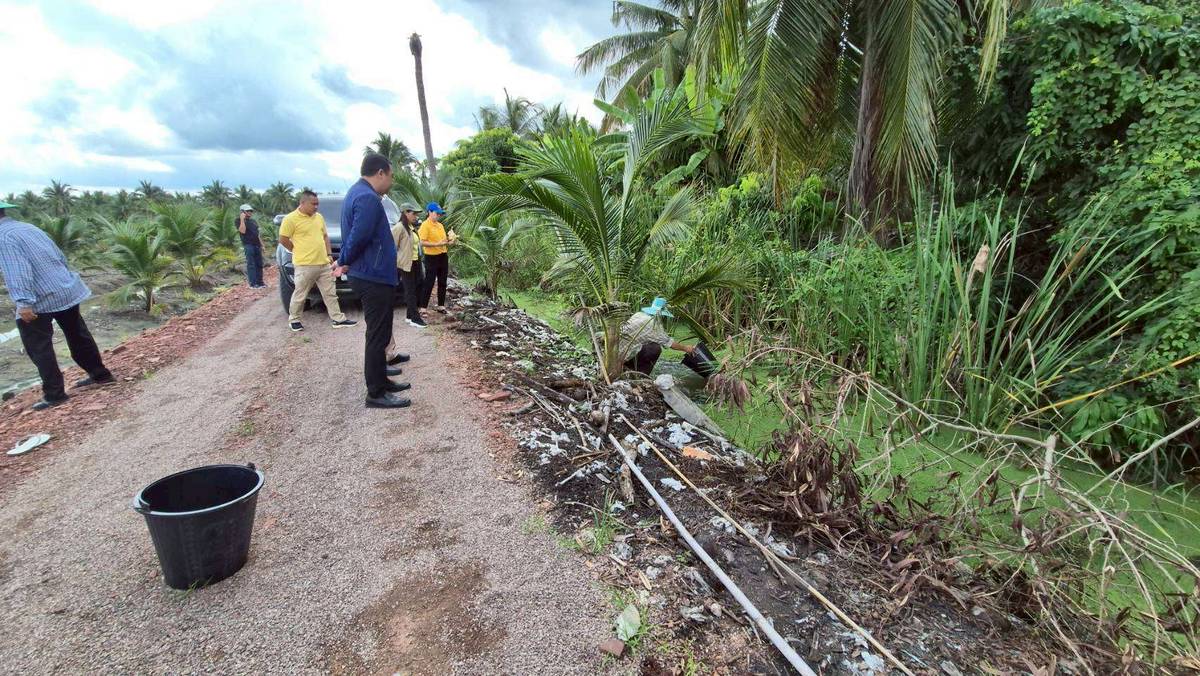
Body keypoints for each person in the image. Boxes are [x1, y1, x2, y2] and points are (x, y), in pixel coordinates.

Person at [0, 200, 115, 410]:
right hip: (65, 288)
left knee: (38, 347)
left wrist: (24, 303)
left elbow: (18, 271)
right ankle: (100, 374)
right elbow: (59, 255)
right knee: (78, 334)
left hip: (41, 297)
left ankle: (55, 394)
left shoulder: (4, 238)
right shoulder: (28, 227)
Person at [337, 153, 411, 409]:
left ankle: (383, 381)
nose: (390, 181)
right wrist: (343, 259)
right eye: (390, 176)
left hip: (371, 273)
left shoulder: (357, 193)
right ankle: (376, 393)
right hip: (372, 275)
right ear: (380, 173)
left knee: (379, 331)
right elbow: (358, 236)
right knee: (377, 335)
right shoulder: (368, 198)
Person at [278, 191, 358, 332]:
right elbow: (283, 239)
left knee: (330, 293)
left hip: (323, 264)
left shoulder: (319, 218)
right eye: (313, 204)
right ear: (302, 203)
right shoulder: (290, 219)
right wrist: (296, 249)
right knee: (300, 294)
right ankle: (294, 319)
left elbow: (325, 236)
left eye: (317, 204)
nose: (316, 207)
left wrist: (328, 254)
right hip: (304, 265)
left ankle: (338, 319)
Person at [617, 297, 695, 375]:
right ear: (662, 313)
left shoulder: (638, 314)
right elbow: (669, 343)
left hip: (615, 353)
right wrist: (687, 348)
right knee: (655, 348)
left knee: (647, 344)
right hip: (622, 359)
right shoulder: (653, 325)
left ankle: (629, 368)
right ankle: (641, 374)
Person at [392, 201, 428, 330]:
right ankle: (415, 318)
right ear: (405, 213)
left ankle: (409, 315)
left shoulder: (411, 227)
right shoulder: (399, 228)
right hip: (406, 264)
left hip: (415, 262)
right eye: (414, 213)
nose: (416, 216)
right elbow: (392, 247)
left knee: (417, 287)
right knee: (410, 291)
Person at [417, 201, 454, 314]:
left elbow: (443, 241)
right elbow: (422, 242)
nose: (438, 216)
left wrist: (450, 241)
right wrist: (437, 244)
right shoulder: (425, 225)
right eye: (436, 213)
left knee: (443, 281)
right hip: (431, 257)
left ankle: (441, 305)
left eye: (440, 214)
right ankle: (423, 307)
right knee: (429, 281)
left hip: (443, 255)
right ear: (429, 212)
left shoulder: (440, 226)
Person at [237, 204, 266, 289]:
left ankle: (260, 283)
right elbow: (242, 231)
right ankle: (253, 284)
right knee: (251, 264)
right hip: (248, 245)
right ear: (242, 212)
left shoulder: (253, 221)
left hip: (257, 245)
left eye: (250, 211)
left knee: (259, 264)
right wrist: (242, 219)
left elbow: (258, 235)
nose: (250, 212)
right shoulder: (238, 220)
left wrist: (262, 245)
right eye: (248, 211)